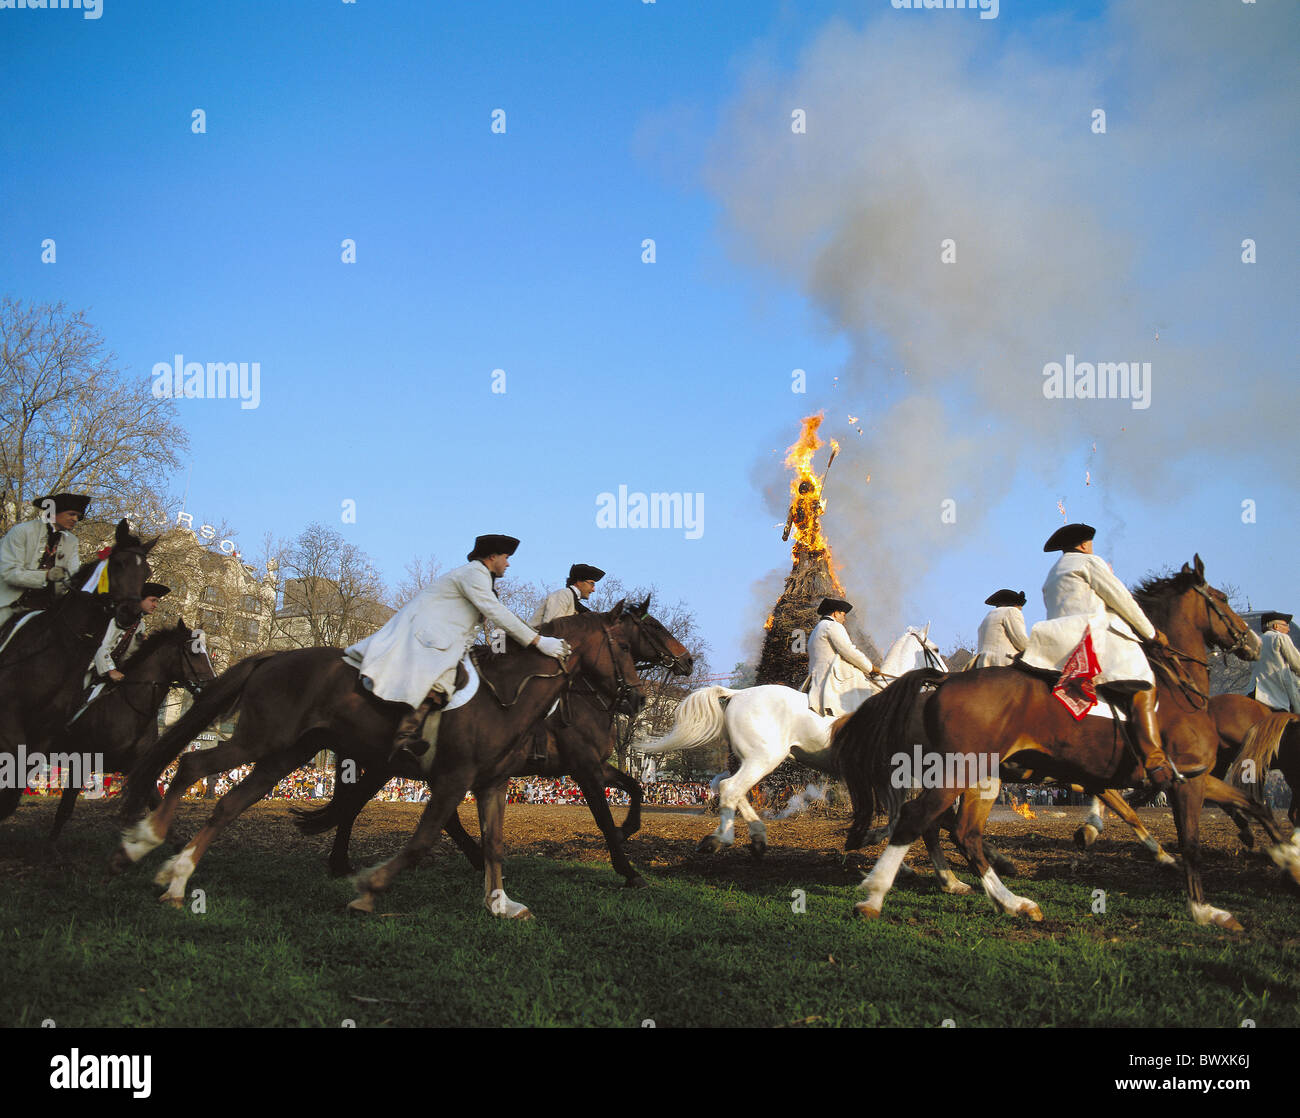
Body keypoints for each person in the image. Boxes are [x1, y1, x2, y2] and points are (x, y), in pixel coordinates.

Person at [343, 534, 569, 762]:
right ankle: (404, 736)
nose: (508, 563)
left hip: (444, 640)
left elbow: (494, 617)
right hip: (427, 637)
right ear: (493, 557)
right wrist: (538, 641)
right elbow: (496, 613)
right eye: (506, 557)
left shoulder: (481, 578)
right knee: (444, 679)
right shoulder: (474, 573)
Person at [1022, 523, 1175, 784]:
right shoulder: (1090, 563)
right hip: (1091, 636)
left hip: (1057, 644)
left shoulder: (1052, 574)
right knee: (1144, 681)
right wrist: (1150, 633)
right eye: (1090, 543)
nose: (1092, 547)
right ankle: (1154, 758)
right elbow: (1121, 599)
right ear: (1084, 545)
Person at [0, 492, 89, 631]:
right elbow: (9, 573)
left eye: (78, 516)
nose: (75, 519)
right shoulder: (22, 531)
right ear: (54, 512)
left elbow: (73, 576)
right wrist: (45, 576)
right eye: (71, 514)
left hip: (46, 609)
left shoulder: (72, 542)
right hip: (9, 605)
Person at [802, 596, 877, 717]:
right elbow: (849, 651)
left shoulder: (817, 629)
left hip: (816, 678)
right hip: (832, 678)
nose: (844, 619)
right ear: (836, 613)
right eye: (843, 615)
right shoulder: (833, 626)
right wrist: (870, 668)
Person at [92, 582, 169, 683]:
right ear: (140, 599)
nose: (155, 605)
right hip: (91, 667)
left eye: (157, 601)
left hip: (112, 675)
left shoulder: (140, 625)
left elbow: (127, 656)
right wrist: (111, 670)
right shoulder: (116, 616)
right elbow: (101, 646)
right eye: (152, 600)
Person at [1249, 612, 1300, 714]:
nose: (1288, 630)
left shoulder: (1256, 641)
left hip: (1253, 690)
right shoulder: (1280, 637)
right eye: (1286, 625)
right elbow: (1297, 663)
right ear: (1276, 626)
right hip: (1276, 692)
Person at [529, 563, 604, 627]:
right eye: (592, 583)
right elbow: (553, 628)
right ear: (578, 582)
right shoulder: (564, 594)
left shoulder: (574, 601)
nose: (593, 590)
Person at [970, 589, 1029, 668]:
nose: (1020, 610)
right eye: (1019, 608)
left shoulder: (989, 615)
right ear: (1015, 605)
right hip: (1004, 661)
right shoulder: (1012, 611)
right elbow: (1021, 640)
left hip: (982, 664)